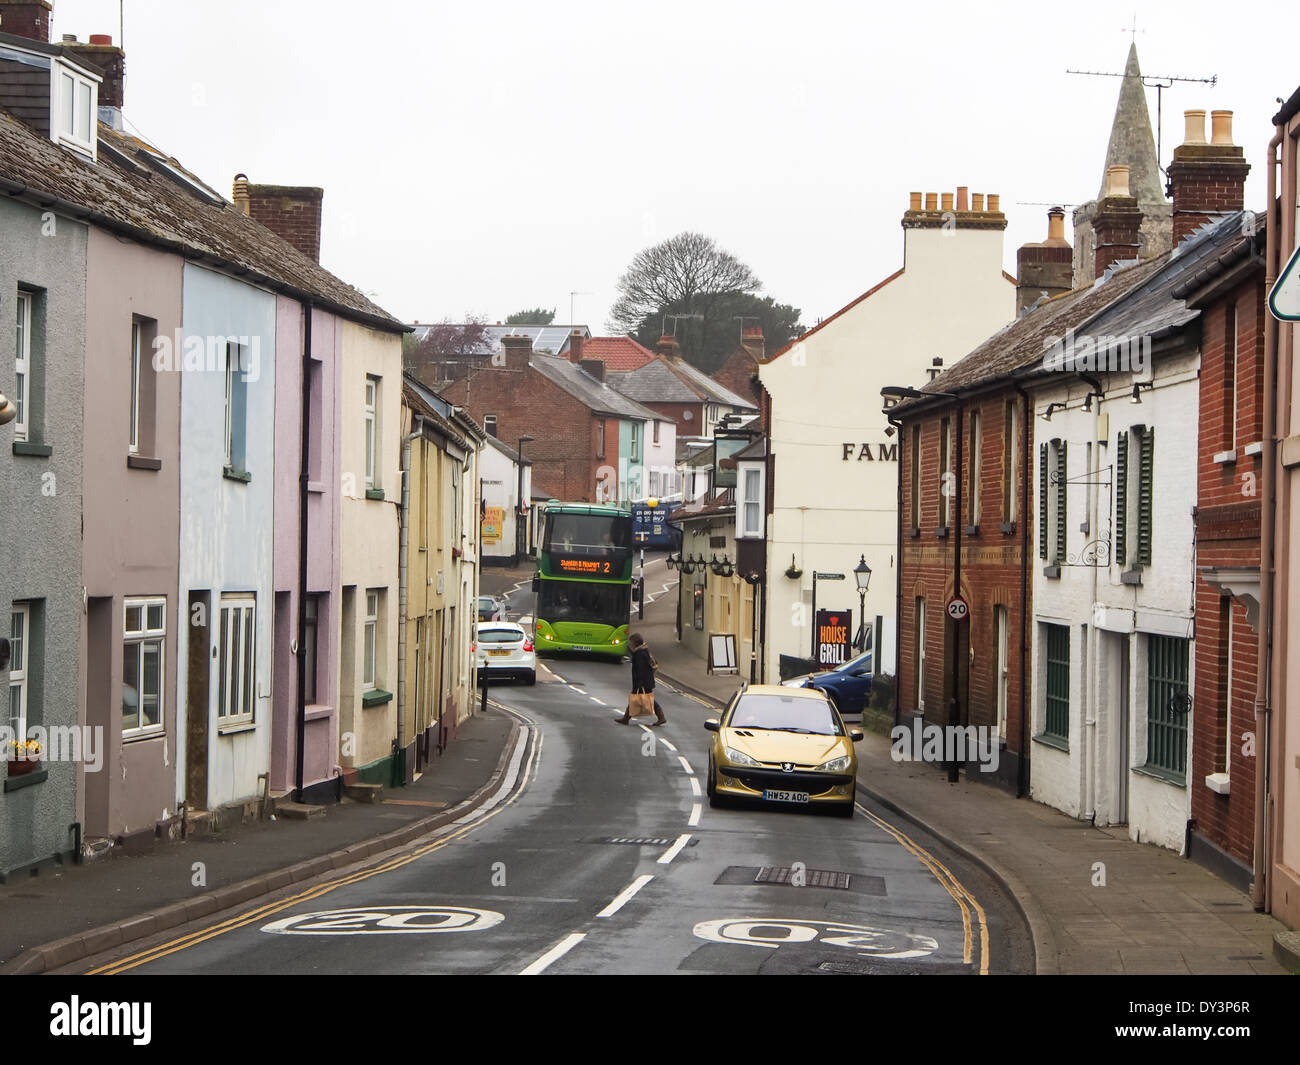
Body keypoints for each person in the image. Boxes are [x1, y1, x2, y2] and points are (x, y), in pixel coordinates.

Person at [616, 632, 666, 726]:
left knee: (643, 699)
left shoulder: (639, 654)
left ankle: (661, 717)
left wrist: (640, 683)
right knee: (642, 699)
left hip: (643, 681)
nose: (630, 644)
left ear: (635, 642)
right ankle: (626, 718)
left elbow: (641, 669)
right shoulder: (643, 650)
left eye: (631, 642)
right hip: (646, 681)